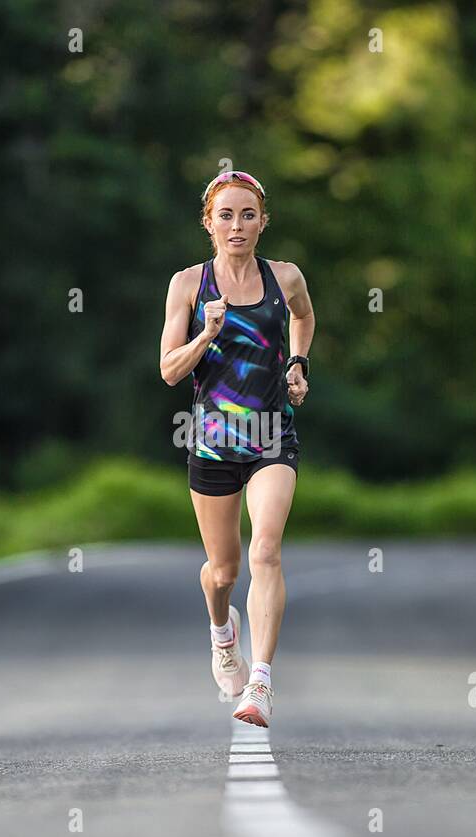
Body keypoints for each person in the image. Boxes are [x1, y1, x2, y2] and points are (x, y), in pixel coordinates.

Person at [158, 170, 315, 727]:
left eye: (248, 215)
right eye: (226, 215)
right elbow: (169, 371)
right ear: (209, 223)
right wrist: (205, 333)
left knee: (265, 551)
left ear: (263, 221)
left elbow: (303, 316)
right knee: (222, 571)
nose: (237, 226)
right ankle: (222, 637)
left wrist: (297, 364)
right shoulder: (188, 285)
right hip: (213, 443)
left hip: (273, 435)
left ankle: (261, 684)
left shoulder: (285, 277)